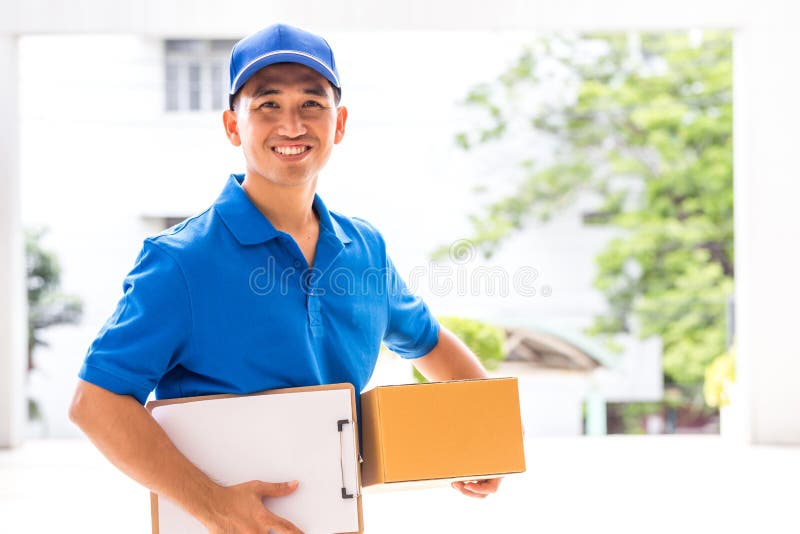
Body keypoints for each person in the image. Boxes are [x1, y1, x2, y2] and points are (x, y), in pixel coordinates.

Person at [68, 23, 501, 534]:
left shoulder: (365, 251)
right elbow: (95, 403)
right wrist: (215, 506)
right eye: (267, 105)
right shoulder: (181, 262)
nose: (291, 125)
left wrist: (486, 441)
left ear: (338, 123)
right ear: (233, 126)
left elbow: (428, 341)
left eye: (311, 104)